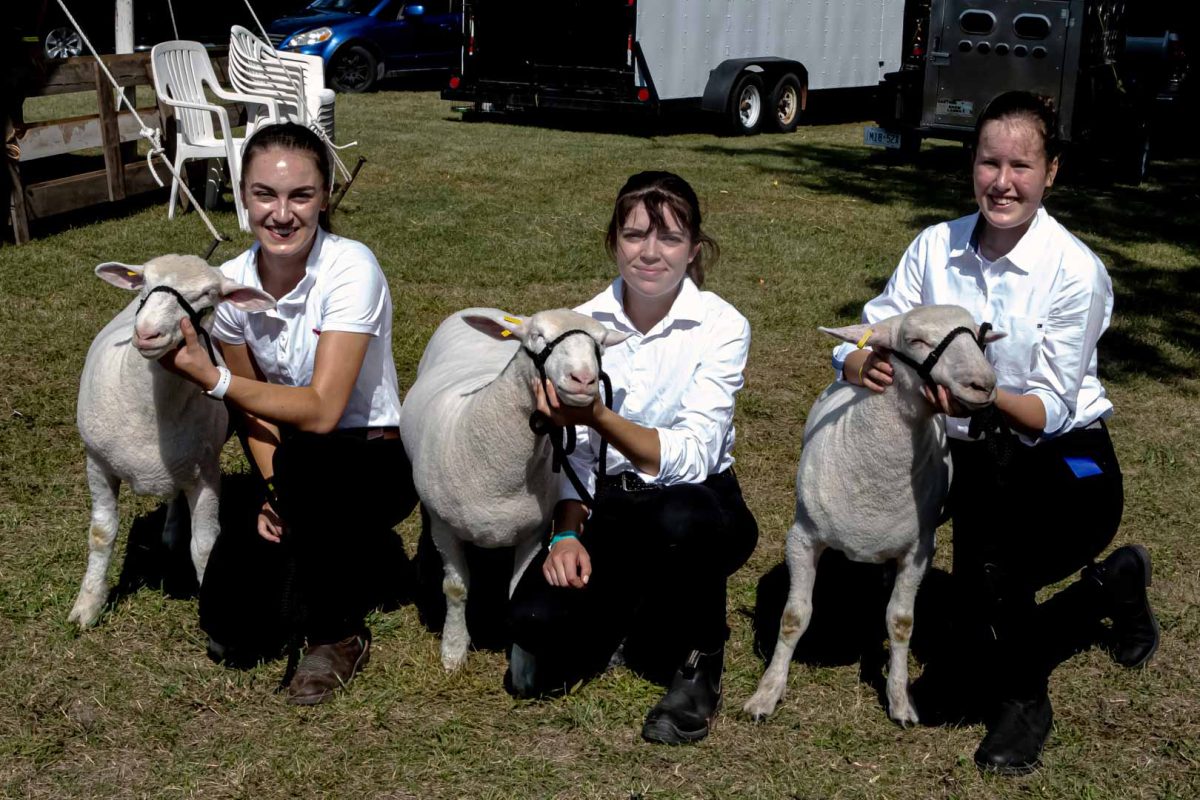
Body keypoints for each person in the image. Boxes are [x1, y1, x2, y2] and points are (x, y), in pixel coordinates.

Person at [833, 92, 1159, 774]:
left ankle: (1023, 698)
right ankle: (1098, 593)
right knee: (886, 535)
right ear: (971, 164)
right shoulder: (935, 247)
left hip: (1069, 459)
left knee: (996, 571)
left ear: (1052, 173)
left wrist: (975, 391)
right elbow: (876, 325)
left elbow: (1047, 409)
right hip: (959, 450)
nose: (1002, 182)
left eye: (1021, 165)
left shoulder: (1075, 271)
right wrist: (858, 356)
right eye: (989, 162)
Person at [162, 122, 417, 705]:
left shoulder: (352, 267)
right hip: (291, 464)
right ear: (243, 196)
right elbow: (253, 411)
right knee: (231, 632)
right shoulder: (232, 285)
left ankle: (340, 633)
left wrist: (214, 379)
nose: (281, 213)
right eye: (264, 195)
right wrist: (276, 490)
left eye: (300, 195)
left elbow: (324, 410)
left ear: (325, 197)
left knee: (311, 458)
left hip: (373, 456)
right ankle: (360, 559)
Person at [507, 171, 759, 745]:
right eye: (634, 234)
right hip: (609, 506)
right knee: (532, 623)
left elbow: (694, 456)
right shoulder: (580, 323)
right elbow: (577, 455)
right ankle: (630, 610)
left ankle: (701, 660)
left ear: (694, 250)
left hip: (702, 507)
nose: (650, 251)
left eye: (669, 238)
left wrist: (597, 414)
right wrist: (566, 535)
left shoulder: (722, 325)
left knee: (680, 518)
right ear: (613, 242)